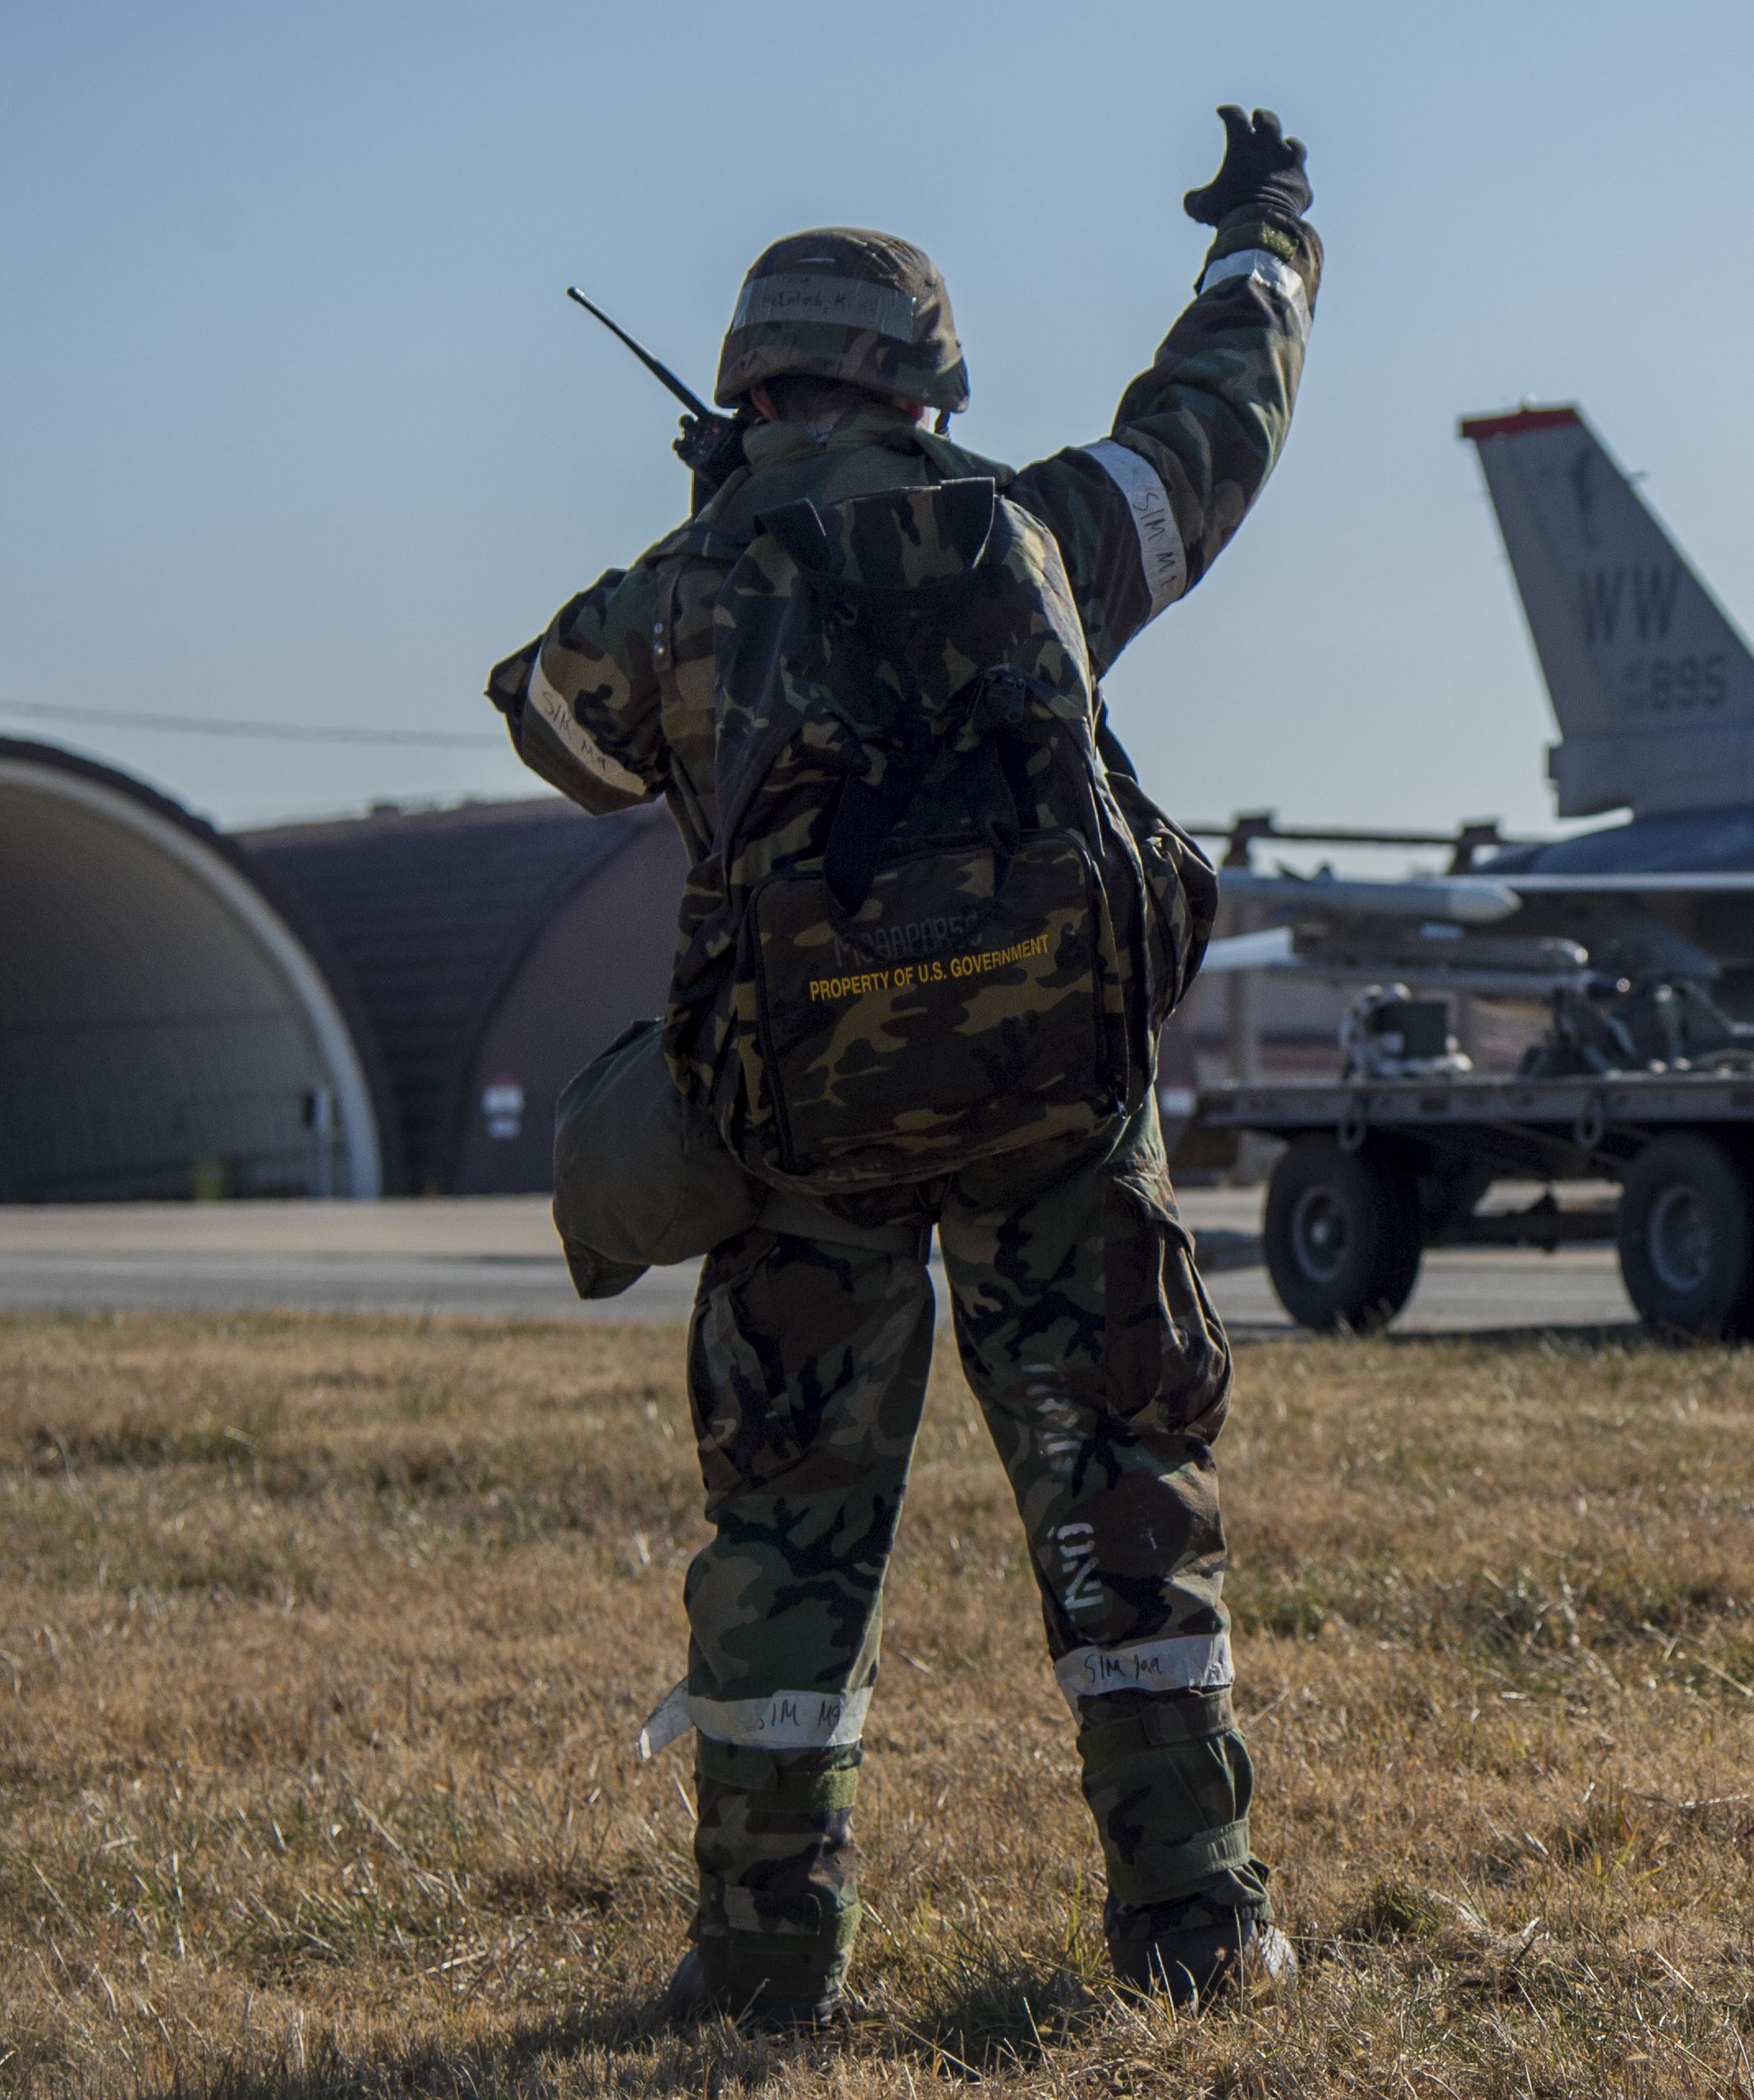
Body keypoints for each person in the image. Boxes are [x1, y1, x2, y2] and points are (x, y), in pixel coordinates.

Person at [484, 107, 1321, 2027]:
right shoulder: (1047, 530)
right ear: (929, 384)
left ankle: (767, 1962)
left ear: (748, 384)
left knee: (789, 1532)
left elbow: (555, 729)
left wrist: (717, 532)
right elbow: (1220, 425)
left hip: (804, 1133)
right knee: (1122, 1491)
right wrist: (1267, 237)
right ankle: (1197, 1923)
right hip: (1060, 1106)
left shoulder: (684, 584)